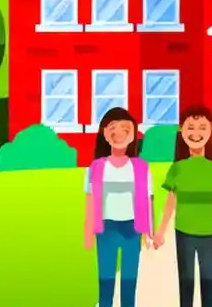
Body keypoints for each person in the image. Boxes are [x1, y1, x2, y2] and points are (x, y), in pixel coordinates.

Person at [152, 105, 212, 307]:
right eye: (190, 128)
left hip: (209, 231)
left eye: (202, 127)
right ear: (182, 131)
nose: (196, 133)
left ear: (211, 130)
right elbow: (170, 202)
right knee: (186, 280)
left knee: (209, 280)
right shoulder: (177, 168)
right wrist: (161, 231)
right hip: (184, 231)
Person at [84, 107, 155, 307]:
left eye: (125, 129)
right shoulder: (97, 166)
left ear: (133, 134)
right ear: (104, 134)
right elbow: (91, 199)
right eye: (112, 129)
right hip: (106, 227)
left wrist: (150, 231)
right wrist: (88, 230)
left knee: (129, 278)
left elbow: (148, 199)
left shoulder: (140, 166)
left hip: (132, 227)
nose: (119, 134)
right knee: (106, 277)